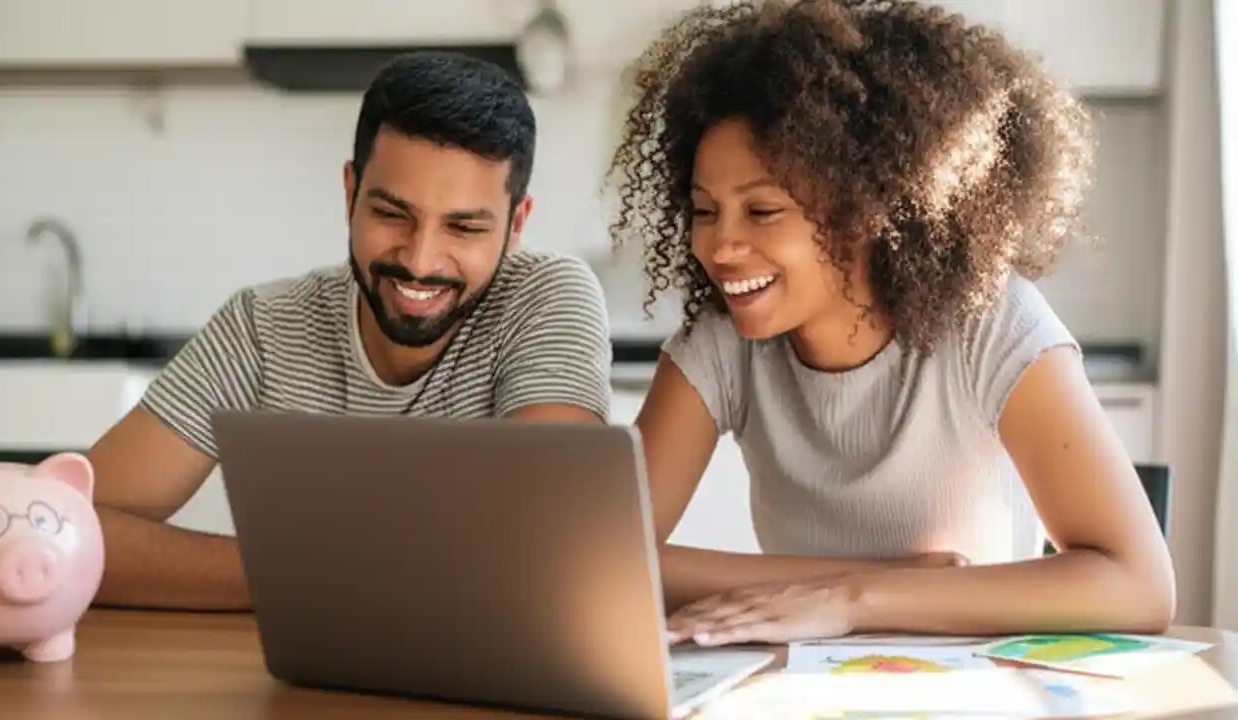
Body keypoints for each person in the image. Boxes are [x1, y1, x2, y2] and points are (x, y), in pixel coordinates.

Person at [606, 0, 1175, 644]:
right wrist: (861, 577)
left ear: (868, 210)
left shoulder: (991, 325)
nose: (719, 246)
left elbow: (1139, 586)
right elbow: (601, 557)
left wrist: (854, 598)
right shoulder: (721, 341)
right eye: (705, 211)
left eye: (762, 211)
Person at [87, 52, 613, 611]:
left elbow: (555, 546)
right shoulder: (263, 327)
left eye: (463, 227)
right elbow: (62, 529)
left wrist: (309, 571)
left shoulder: (547, 297)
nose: (419, 259)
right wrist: (314, 577)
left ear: (517, 225)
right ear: (350, 193)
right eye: (392, 214)